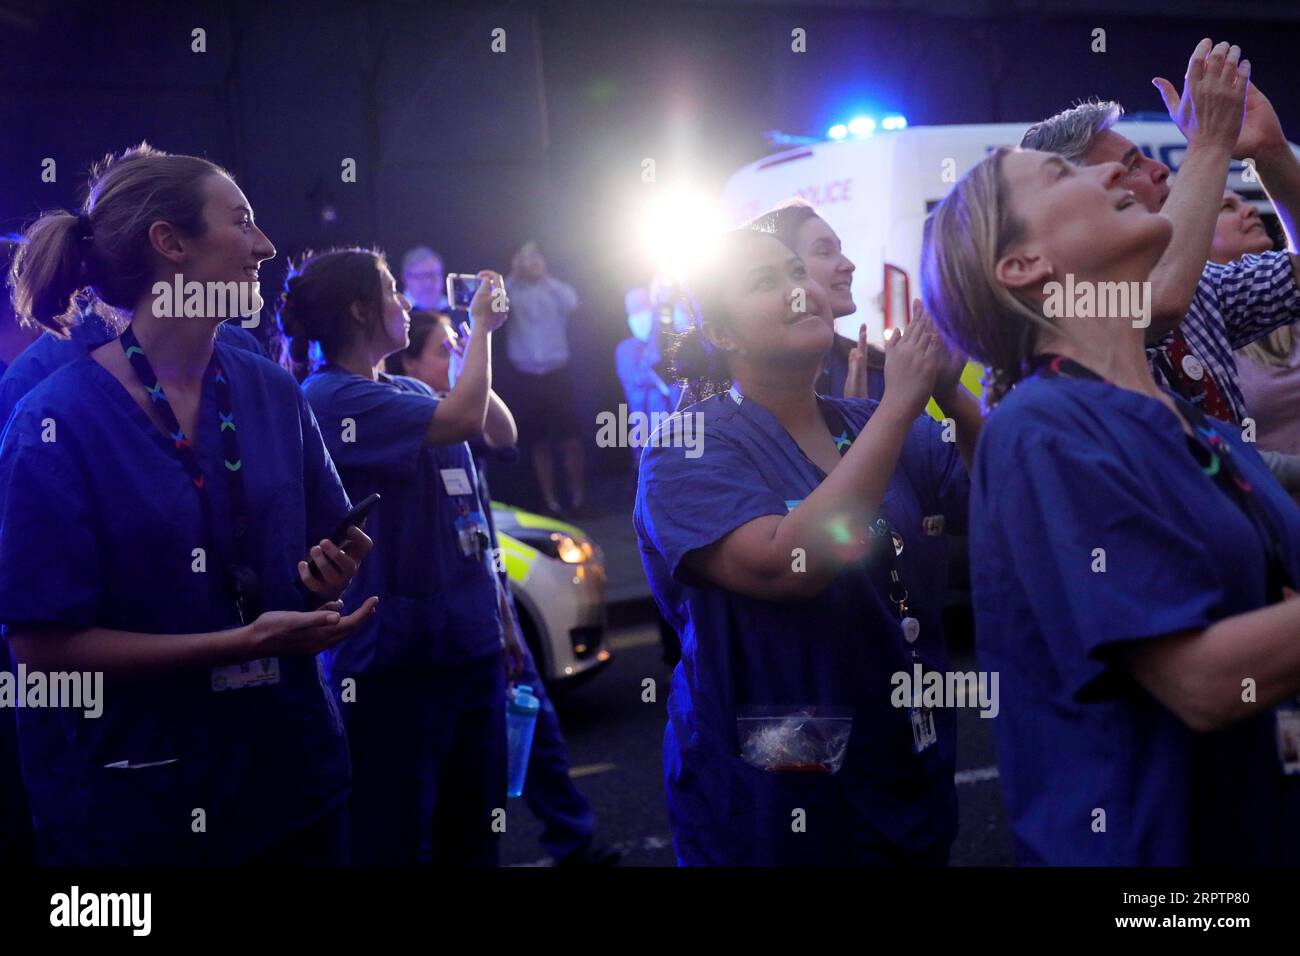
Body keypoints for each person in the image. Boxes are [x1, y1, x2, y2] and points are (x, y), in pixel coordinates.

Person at [922, 142, 1300, 865]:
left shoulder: (1204, 427)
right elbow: (1204, 681)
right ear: (1022, 266)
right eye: (1066, 173)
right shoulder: (1040, 431)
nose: (1110, 172)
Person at [0, 143, 377, 866]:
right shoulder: (56, 422)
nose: (265, 247)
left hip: (292, 783)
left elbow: (329, 538)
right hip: (145, 814)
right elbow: (39, 647)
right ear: (170, 244)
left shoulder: (265, 384)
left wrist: (328, 574)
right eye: (241, 221)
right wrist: (240, 643)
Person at [635, 227, 974, 865]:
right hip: (772, 813)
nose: (800, 292)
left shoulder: (862, 422)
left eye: (798, 273)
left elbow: (1002, 491)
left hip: (904, 783)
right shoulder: (688, 444)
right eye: (767, 283)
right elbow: (790, 566)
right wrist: (901, 401)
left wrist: (950, 392)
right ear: (723, 334)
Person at [286, 249, 516, 866]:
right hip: (393, 660)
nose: (407, 304)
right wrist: (487, 335)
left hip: (466, 640)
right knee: (392, 837)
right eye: (392, 290)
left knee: (472, 833)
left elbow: (501, 431)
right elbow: (467, 415)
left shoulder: (410, 388)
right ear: (360, 309)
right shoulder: (332, 398)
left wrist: (473, 350)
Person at [389, 309, 620, 866]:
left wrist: (474, 350)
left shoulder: (459, 419)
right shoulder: (403, 419)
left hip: (491, 613)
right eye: (443, 350)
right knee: (447, 782)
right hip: (443, 630)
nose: (457, 359)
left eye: (456, 348)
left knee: (538, 735)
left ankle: (573, 840)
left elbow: (503, 432)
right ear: (409, 364)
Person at [1020, 38, 1300, 428]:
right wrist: (1208, 144)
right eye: (1129, 168)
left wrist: (1270, 153)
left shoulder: (1203, 290)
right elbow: (1158, 302)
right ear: (1069, 200)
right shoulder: (1057, 300)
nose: (1161, 170)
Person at [504, 240, 585, 515]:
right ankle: (550, 502)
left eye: (534, 259)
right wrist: (514, 275)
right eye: (524, 259)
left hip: (557, 373)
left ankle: (578, 498)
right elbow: (496, 303)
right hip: (527, 377)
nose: (530, 264)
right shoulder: (512, 290)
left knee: (571, 439)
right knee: (538, 443)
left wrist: (544, 276)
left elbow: (572, 302)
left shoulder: (555, 289)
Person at [400, 246, 449, 312]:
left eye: (432, 275)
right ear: (405, 279)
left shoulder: (456, 310)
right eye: (419, 276)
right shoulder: (396, 311)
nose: (427, 283)